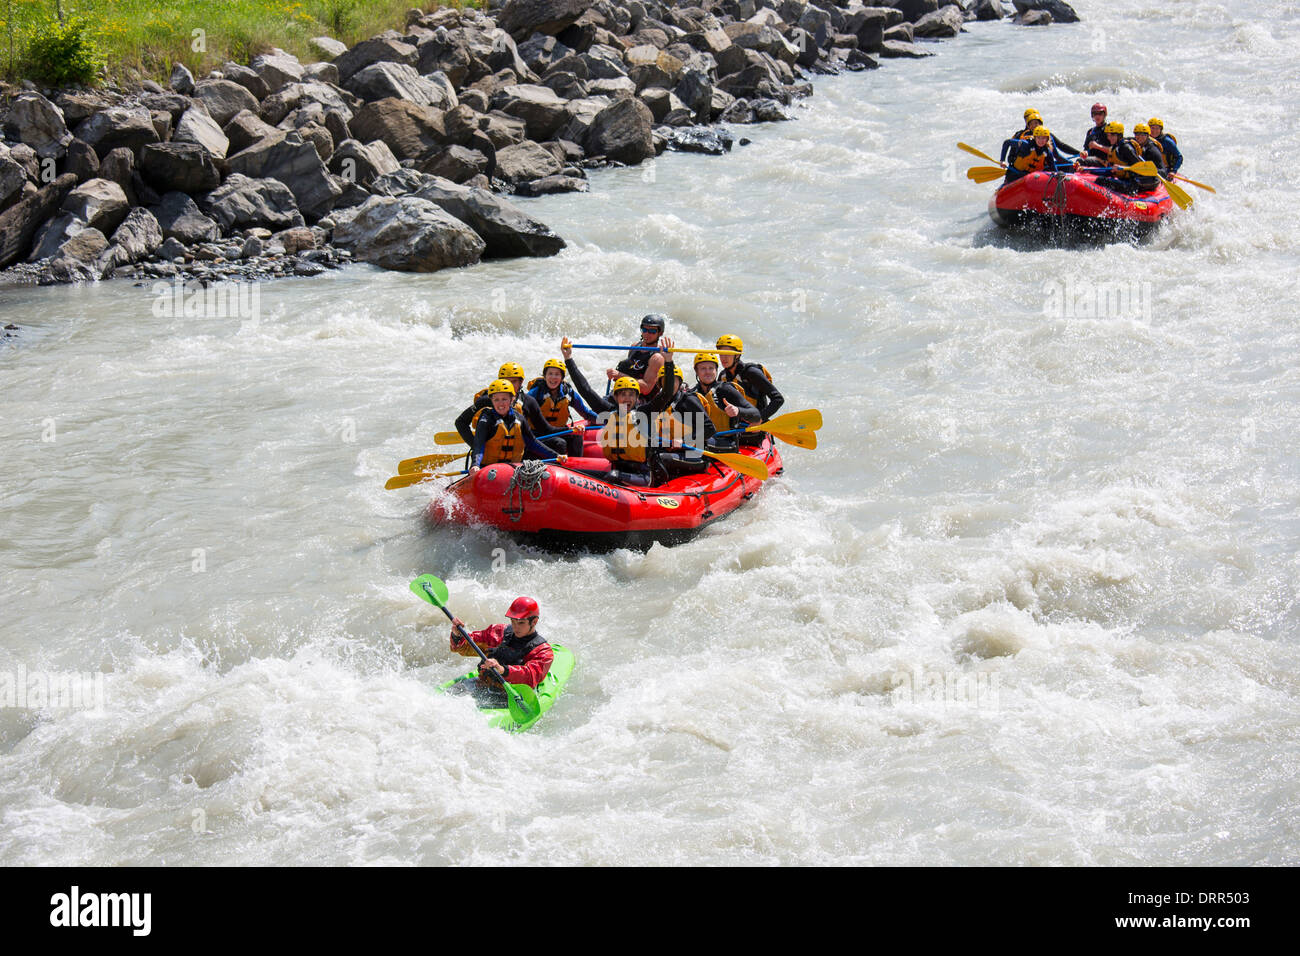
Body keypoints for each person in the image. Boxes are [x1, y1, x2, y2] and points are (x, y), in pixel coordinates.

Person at [564, 336, 675, 486]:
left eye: (631, 394)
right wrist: (568, 358)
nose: (627, 399)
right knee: (576, 473)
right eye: (623, 394)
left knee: (613, 476)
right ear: (616, 397)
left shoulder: (645, 413)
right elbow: (586, 390)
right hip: (616, 470)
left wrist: (668, 362)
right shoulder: (609, 412)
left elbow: (667, 393)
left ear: (637, 397)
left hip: (642, 476)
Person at [447, 596, 553, 707]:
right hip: (482, 685)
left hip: (510, 696)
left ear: (534, 622)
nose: (515, 627)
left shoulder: (543, 651)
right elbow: (466, 647)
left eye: (521, 623)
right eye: (513, 621)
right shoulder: (498, 632)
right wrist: (457, 635)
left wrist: (502, 670)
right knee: (446, 696)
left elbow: (530, 676)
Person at [467, 379, 563, 475]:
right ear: (491, 401)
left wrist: (556, 456)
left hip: (512, 470)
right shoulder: (486, 419)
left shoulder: (519, 419)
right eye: (496, 399)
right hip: (488, 470)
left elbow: (532, 443)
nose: (500, 403)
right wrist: (475, 465)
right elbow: (479, 445)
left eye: (504, 399)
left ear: (512, 399)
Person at [455, 361, 552, 451]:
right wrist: (476, 446)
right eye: (506, 381)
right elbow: (460, 422)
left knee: (558, 442)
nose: (509, 385)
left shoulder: (528, 402)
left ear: (521, 382)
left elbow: (544, 429)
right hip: (489, 455)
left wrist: (566, 430)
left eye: (513, 381)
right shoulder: (486, 400)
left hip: (517, 452)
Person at [686, 352, 759, 451]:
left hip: (726, 442)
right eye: (703, 369)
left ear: (716, 370)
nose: (707, 372)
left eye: (711, 368)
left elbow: (755, 414)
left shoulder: (725, 389)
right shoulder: (692, 393)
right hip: (702, 440)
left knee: (698, 441)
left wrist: (738, 410)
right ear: (697, 371)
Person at [716, 334, 783, 441]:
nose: (723, 357)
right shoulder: (722, 376)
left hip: (756, 429)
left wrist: (759, 419)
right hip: (735, 429)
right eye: (720, 353)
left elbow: (778, 399)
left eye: (727, 353)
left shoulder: (751, 373)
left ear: (737, 355)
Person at [524, 358, 595, 456]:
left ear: (562, 377)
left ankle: (576, 466)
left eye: (557, 374)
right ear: (545, 376)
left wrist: (606, 420)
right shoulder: (535, 394)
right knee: (559, 443)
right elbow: (521, 417)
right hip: (539, 435)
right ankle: (558, 467)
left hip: (559, 430)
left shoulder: (568, 393)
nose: (553, 377)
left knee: (577, 436)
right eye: (550, 374)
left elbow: (585, 412)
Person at [1085, 122, 1158, 194]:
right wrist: (1088, 170)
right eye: (1108, 135)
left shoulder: (1126, 148)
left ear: (1119, 135)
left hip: (1132, 184)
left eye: (1112, 135)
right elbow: (1110, 170)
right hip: (1122, 179)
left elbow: (1139, 168)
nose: (1109, 138)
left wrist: (1123, 167)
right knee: (1099, 178)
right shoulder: (1115, 146)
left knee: (1101, 180)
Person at [606, 313, 668, 394]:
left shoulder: (657, 358)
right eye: (644, 330)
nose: (647, 334)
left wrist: (619, 375)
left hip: (642, 400)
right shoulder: (634, 346)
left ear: (660, 333)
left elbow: (646, 389)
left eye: (652, 331)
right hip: (626, 392)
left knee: (622, 404)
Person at [1000, 109, 1079, 164]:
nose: (1034, 125)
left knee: (1067, 165)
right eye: (1031, 121)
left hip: (1040, 166)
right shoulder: (1020, 136)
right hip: (1021, 167)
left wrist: (1078, 154)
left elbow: (1059, 149)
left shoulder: (1046, 135)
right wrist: (1003, 161)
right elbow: (1011, 154)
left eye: (1036, 122)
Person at [1003, 127, 1070, 184]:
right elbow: (1007, 143)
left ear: (1047, 139)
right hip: (1015, 175)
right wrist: (1002, 160)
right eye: (1039, 138)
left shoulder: (1047, 152)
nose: (1041, 141)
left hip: (1033, 179)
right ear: (1035, 138)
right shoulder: (1026, 145)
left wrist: (1058, 174)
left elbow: (1053, 168)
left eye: (1043, 138)